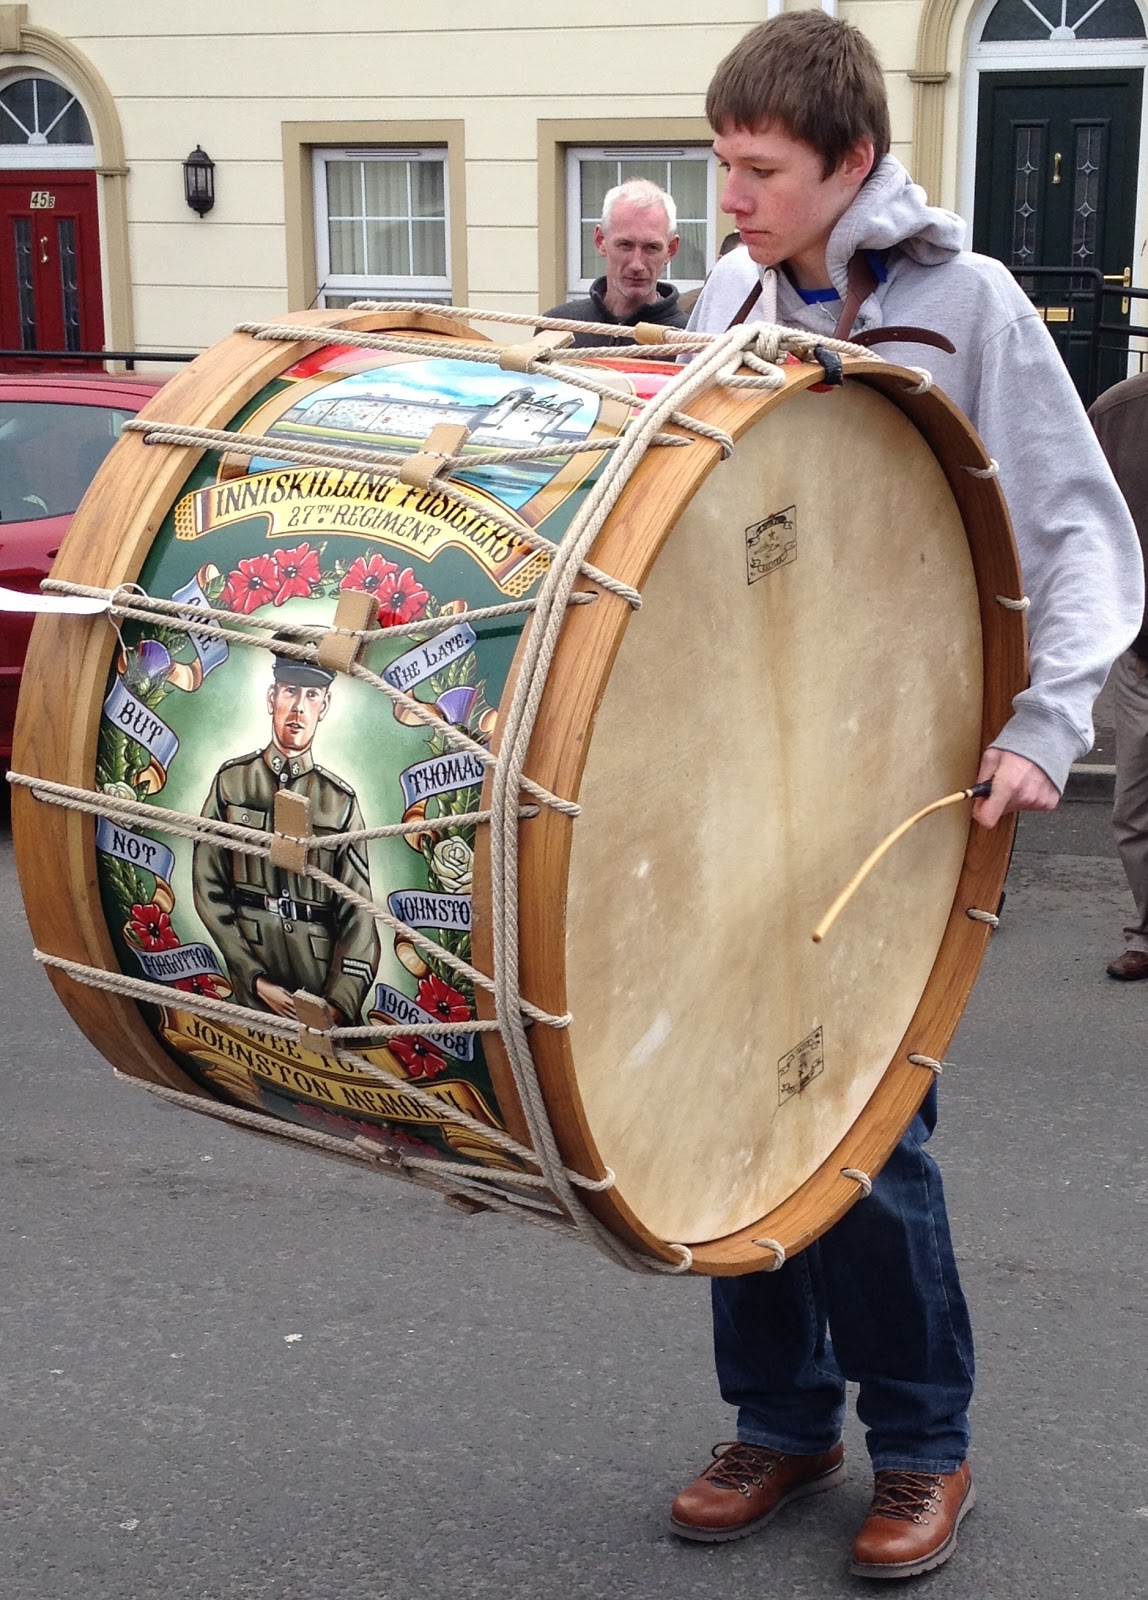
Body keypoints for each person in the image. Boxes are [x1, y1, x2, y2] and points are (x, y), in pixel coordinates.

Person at [670, 11, 1142, 1581]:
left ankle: (923, 1443)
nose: (726, 196)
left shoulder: (973, 304)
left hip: (908, 779)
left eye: (759, 170)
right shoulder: (728, 293)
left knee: (871, 1124)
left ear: (852, 162)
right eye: (720, 164)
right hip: (752, 765)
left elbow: (1081, 533)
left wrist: (1047, 718)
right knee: (743, 1099)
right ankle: (785, 1415)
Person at [193, 651, 380, 1023]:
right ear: (271, 698)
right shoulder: (232, 782)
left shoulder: (338, 801)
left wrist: (339, 1003)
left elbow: (359, 912)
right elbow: (208, 887)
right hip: (254, 967)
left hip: (319, 966)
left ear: (324, 706)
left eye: (312, 696)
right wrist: (254, 979)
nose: (299, 707)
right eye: (290, 691)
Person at [1088, 372, 1148, 979]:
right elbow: (1082, 522)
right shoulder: (1118, 413)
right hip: (1141, 661)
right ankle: (1147, 934)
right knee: (1134, 812)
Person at [543, 178, 687, 346]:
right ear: (600, 241)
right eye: (625, 245)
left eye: (651, 248)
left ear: (671, 249)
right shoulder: (557, 328)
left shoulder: (688, 340)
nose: (636, 265)